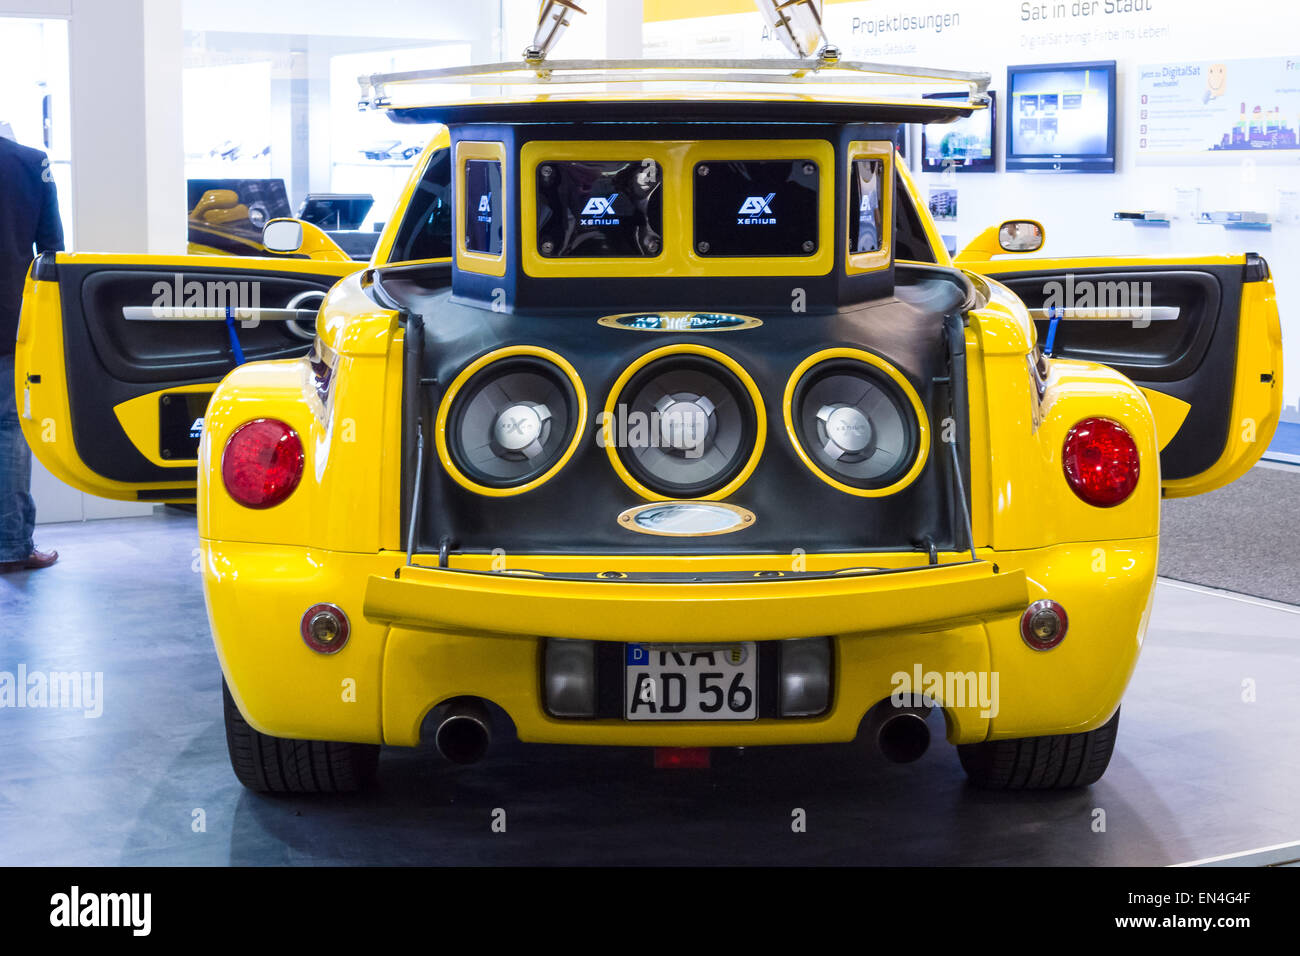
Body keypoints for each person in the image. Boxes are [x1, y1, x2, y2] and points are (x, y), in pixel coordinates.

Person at [0, 132, 64, 573]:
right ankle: (11, 545)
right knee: (9, 429)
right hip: (8, 318)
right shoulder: (29, 162)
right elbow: (53, 249)